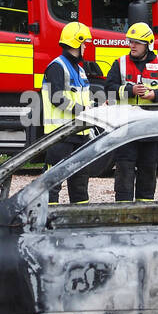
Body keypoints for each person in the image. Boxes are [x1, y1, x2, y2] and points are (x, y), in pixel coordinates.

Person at [104, 22, 158, 201]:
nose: (132, 45)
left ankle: (144, 211)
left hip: (150, 128)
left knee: (148, 170)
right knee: (124, 171)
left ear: (148, 44)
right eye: (131, 41)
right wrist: (130, 91)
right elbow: (109, 90)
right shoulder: (120, 63)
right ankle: (123, 211)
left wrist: (155, 94)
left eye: (137, 42)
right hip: (126, 128)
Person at [41, 21, 94, 204]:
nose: (86, 46)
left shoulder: (79, 69)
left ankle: (79, 220)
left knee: (80, 183)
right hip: (60, 134)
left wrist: (94, 108)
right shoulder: (57, 67)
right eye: (84, 43)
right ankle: (47, 220)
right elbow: (57, 99)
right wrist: (82, 110)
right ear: (76, 42)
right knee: (52, 182)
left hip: (79, 134)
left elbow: (83, 98)